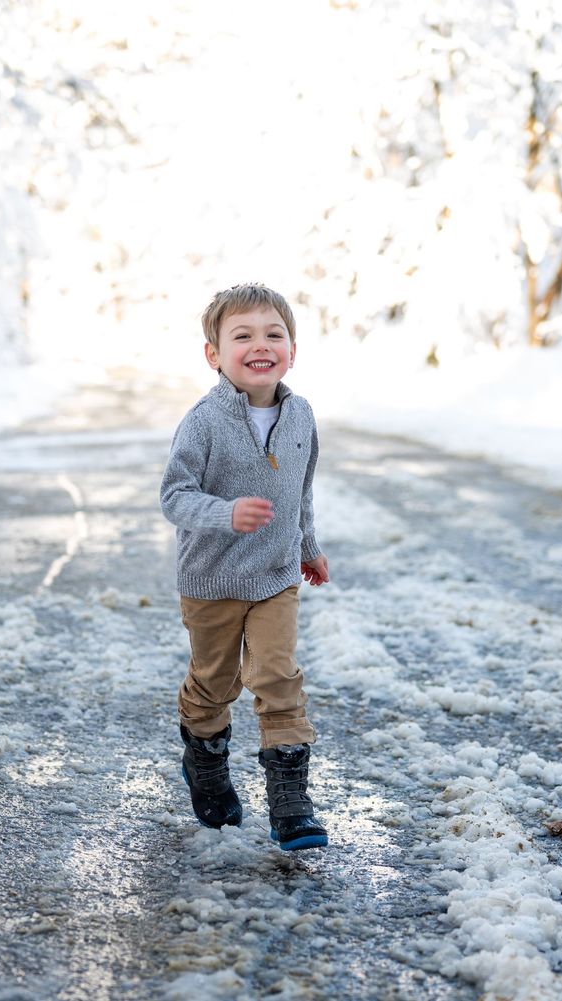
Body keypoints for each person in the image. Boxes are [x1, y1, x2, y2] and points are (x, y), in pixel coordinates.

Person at [160, 282, 330, 852]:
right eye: (243, 336)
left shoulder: (301, 414)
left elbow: (301, 487)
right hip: (212, 579)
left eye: (273, 334)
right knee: (217, 682)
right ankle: (205, 764)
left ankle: (290, 802)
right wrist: (225, 512)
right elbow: (174, 497)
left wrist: (307, 545)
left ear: (292, 347)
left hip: (276, 576)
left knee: (277, 678)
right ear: (214, 354)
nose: (261, 345)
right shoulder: (204, 421)